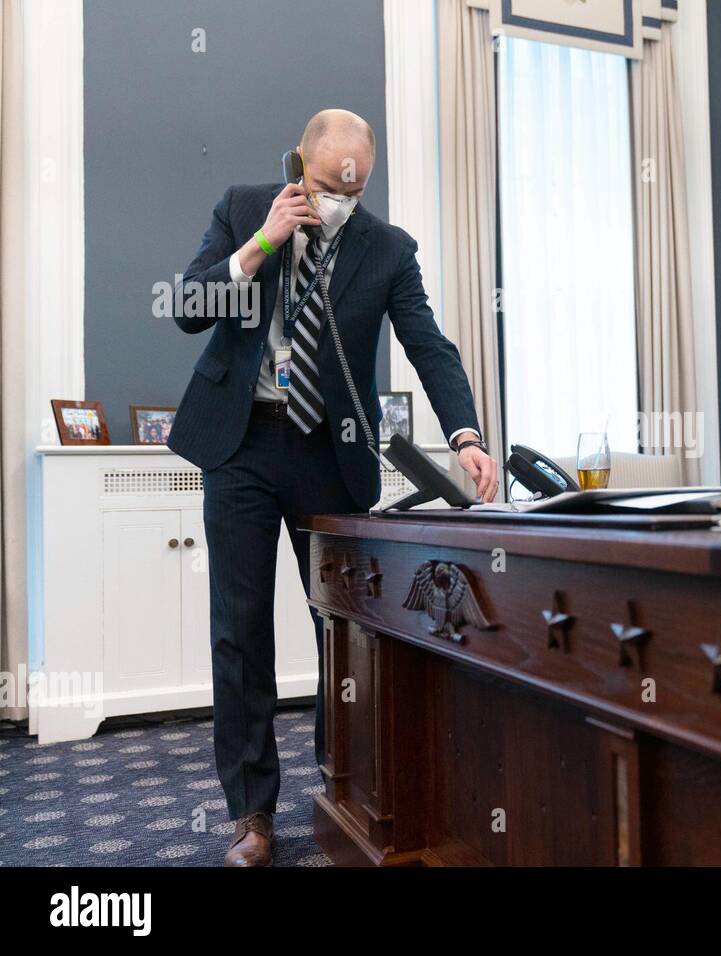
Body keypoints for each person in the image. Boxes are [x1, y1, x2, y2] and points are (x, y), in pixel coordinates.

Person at [166, 109, 499, 866]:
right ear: (297, 166)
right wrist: (261, 246)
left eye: (354, 189)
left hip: (330, 451)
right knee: (239, 627)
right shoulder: (246, 209)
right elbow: (188, 308)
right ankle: (252, 814)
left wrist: (467, 435)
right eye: (325, 186)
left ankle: (340, 780)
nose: (340, 200)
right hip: (242, 442)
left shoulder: (387, 250)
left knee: (342, 629)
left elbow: (429, 345)